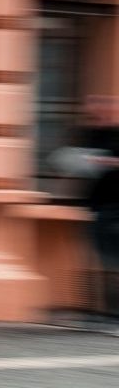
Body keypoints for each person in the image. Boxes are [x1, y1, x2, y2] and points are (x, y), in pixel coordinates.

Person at [52, 94, 119, 323]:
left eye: (104, 107)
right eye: (94, 107)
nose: (98, 111)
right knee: (97, 258)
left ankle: (112, 311)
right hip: (97, 206)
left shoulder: (115, 134)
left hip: (115, 206)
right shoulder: (90, 133)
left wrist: (106, 162)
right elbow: (64, 158)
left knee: (111, 259)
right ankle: (96, 309)